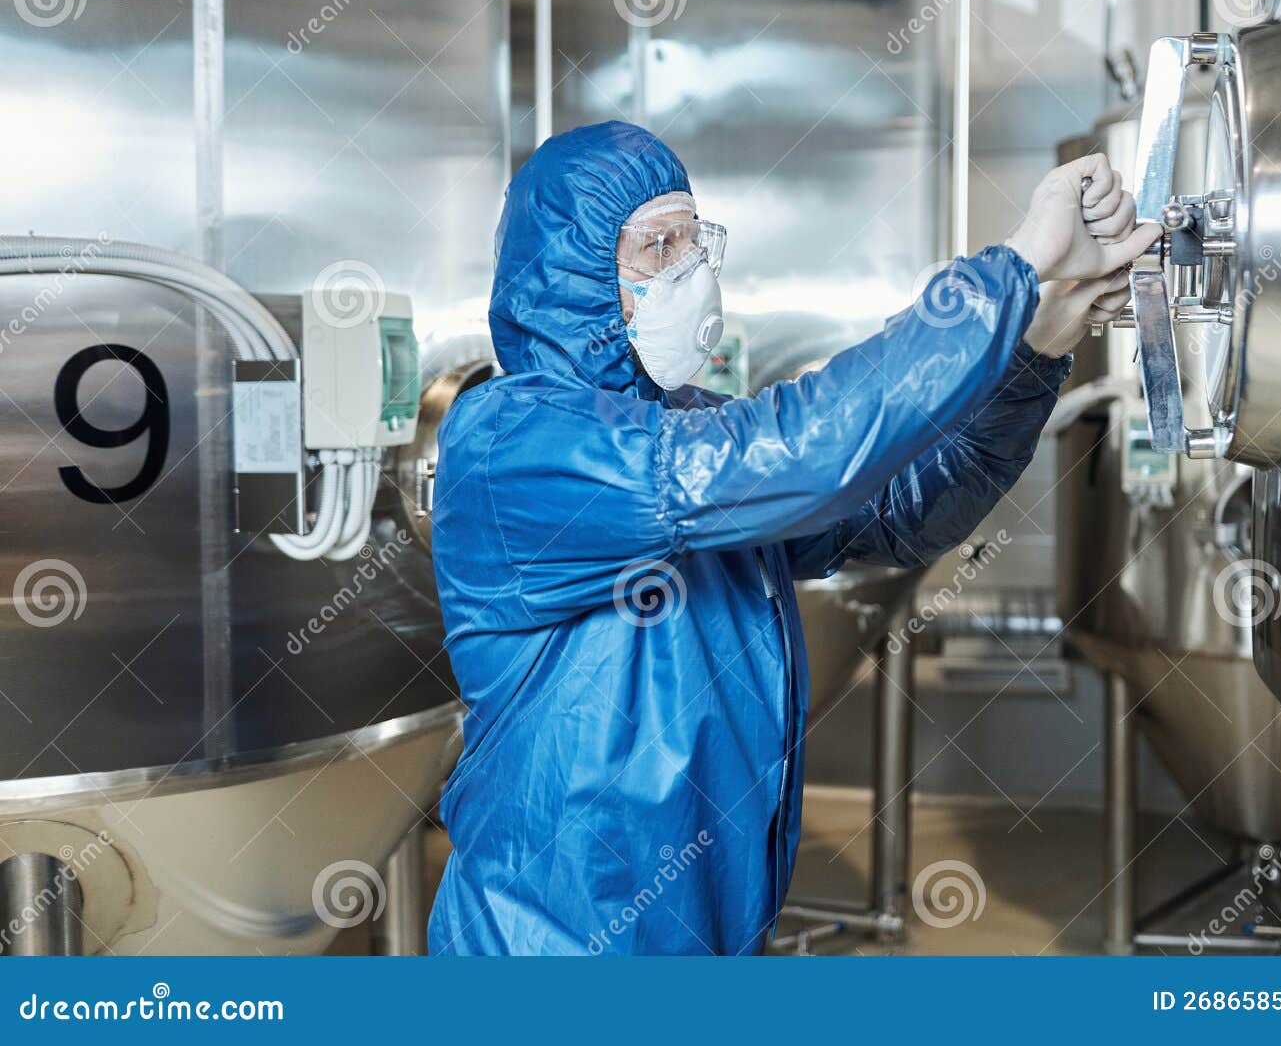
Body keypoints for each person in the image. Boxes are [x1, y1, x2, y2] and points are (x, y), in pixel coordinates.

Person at [426, 120, 1159, 955]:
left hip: (712, 930)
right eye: (656, 247)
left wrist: (1035, 347)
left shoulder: (686, 430)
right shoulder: (513, 441)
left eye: (694, 243)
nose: (687, 272)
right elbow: (802, 446)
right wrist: (1016, 268)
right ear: (570, 274)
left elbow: (901, 509)